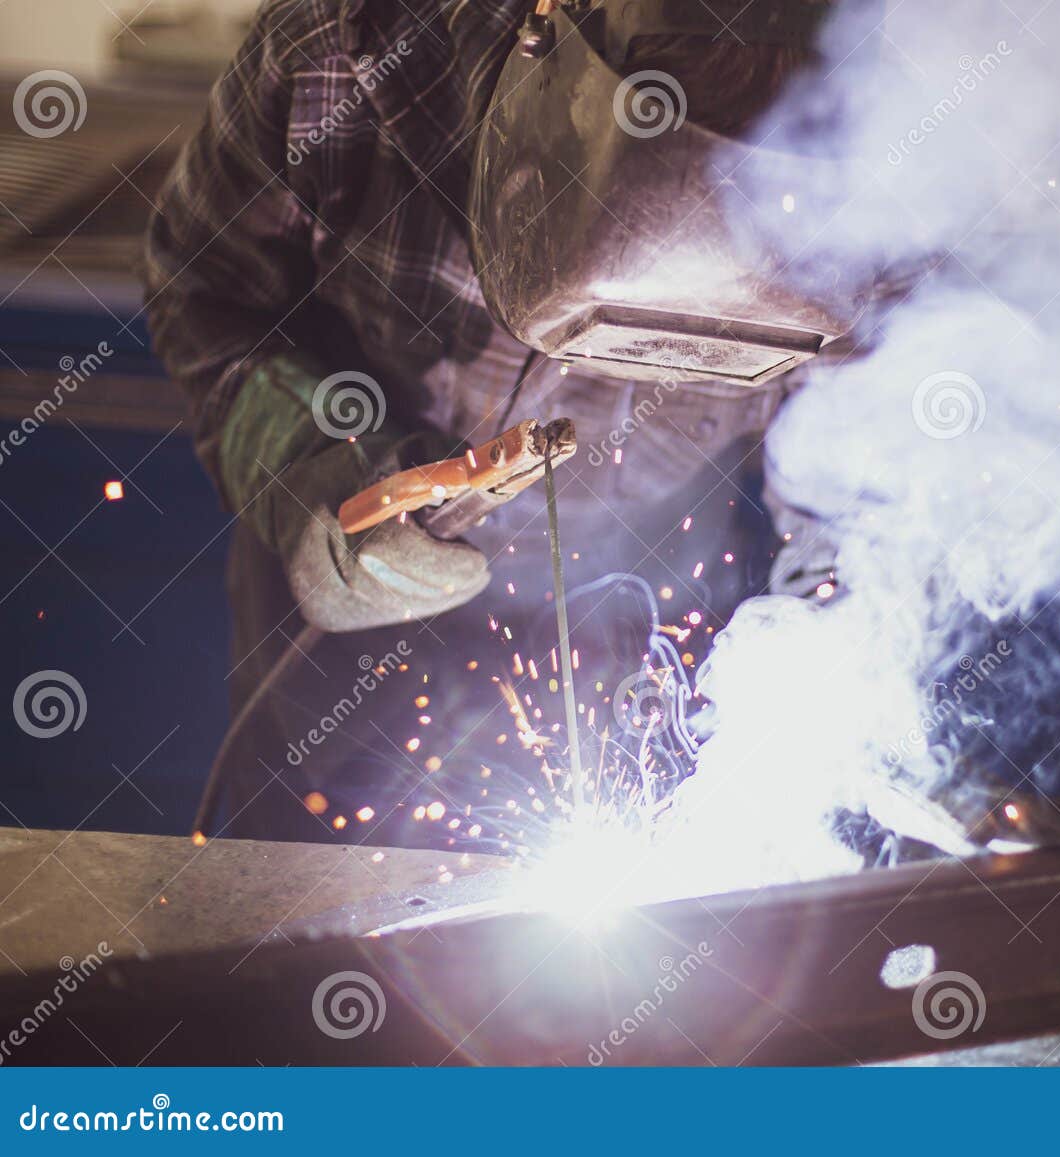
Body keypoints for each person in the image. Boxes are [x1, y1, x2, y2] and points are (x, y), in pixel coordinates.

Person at [141, 0, 856, 845]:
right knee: (300, 930)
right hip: (351, 613)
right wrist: (311, 474)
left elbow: (864, 434)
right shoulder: (338, 58)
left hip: (639, 616)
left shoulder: (869, 154)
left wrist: (834, 641)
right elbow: (210, 296)